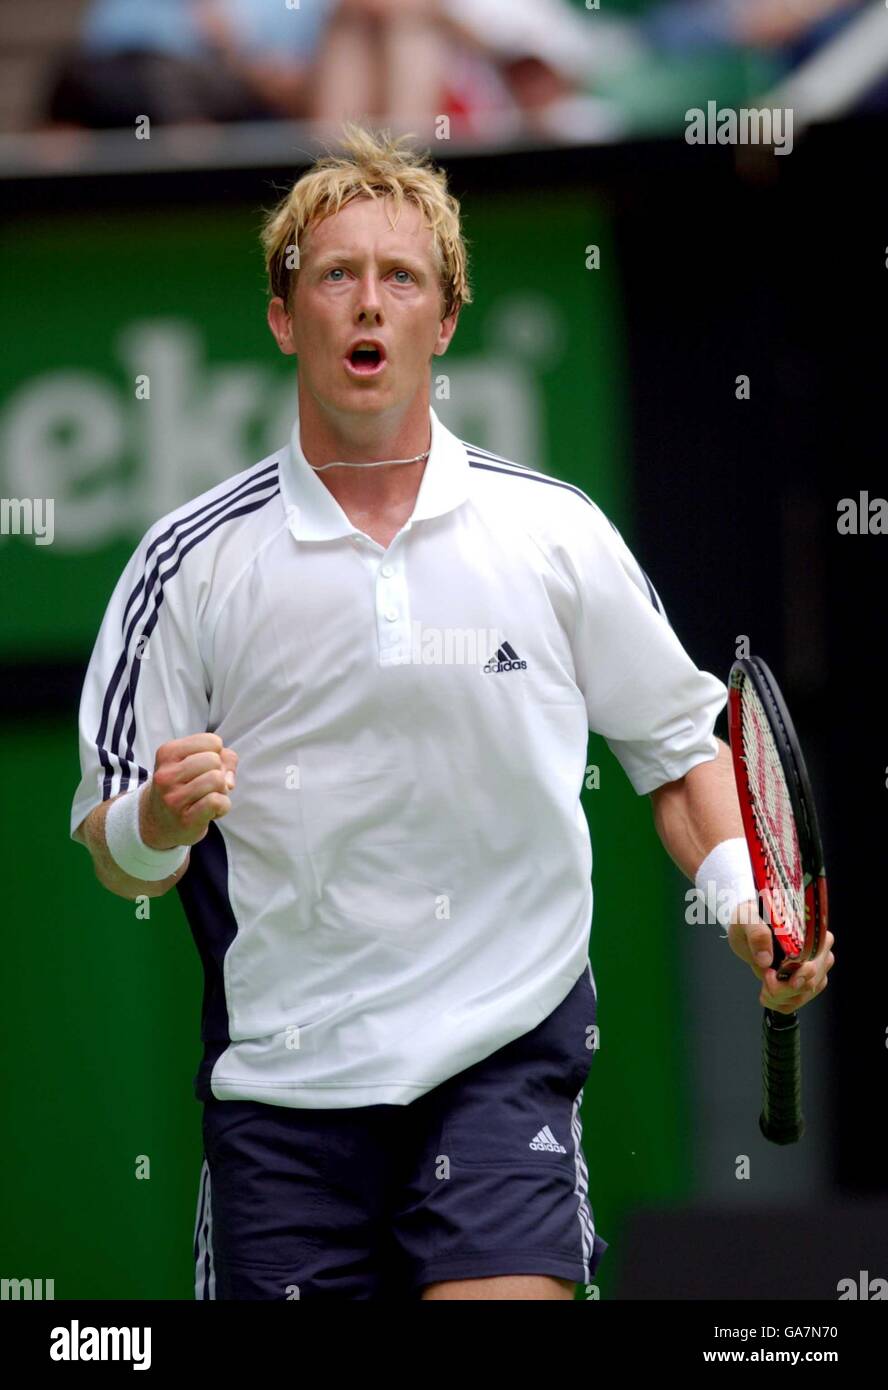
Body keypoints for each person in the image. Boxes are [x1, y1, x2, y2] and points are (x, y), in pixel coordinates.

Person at [70, 121, 835, 1300]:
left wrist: (742, 897)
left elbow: (682, 751)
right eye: (335, 276)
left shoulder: (556, 534)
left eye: (401, 278)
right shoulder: (190, 563)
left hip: (500, 1068)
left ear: (445, 319)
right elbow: (111, 848)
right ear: (285, 318)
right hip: (286, 1099)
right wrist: (158, 825)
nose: (367, 305)